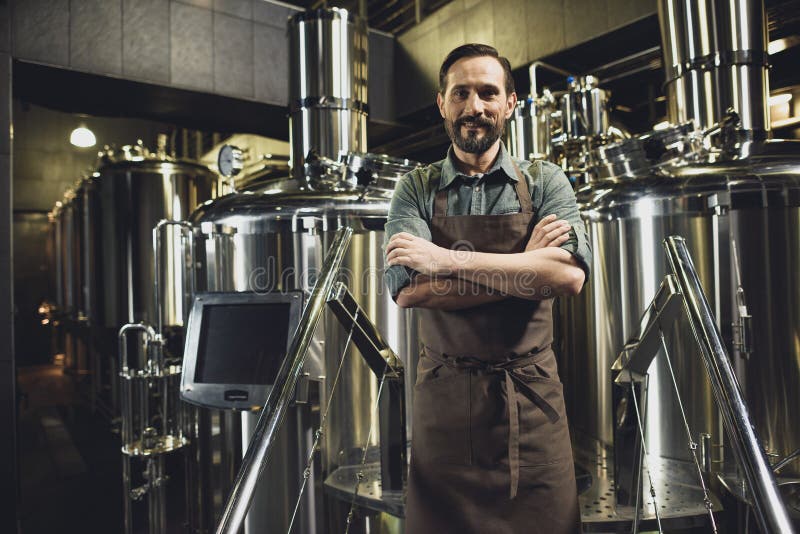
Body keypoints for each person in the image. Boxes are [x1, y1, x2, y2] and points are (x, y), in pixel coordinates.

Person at [383, 43, 591, 534]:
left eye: (487, 93)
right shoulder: (415, 187)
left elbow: (569, 277)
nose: (474, 106)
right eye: (461, 93)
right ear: (442, 103)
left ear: (510, 102)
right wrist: (526, 272)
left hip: (532, 405)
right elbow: (408, 291)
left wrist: (446, 260)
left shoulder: (546, 182)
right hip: (445, 409)